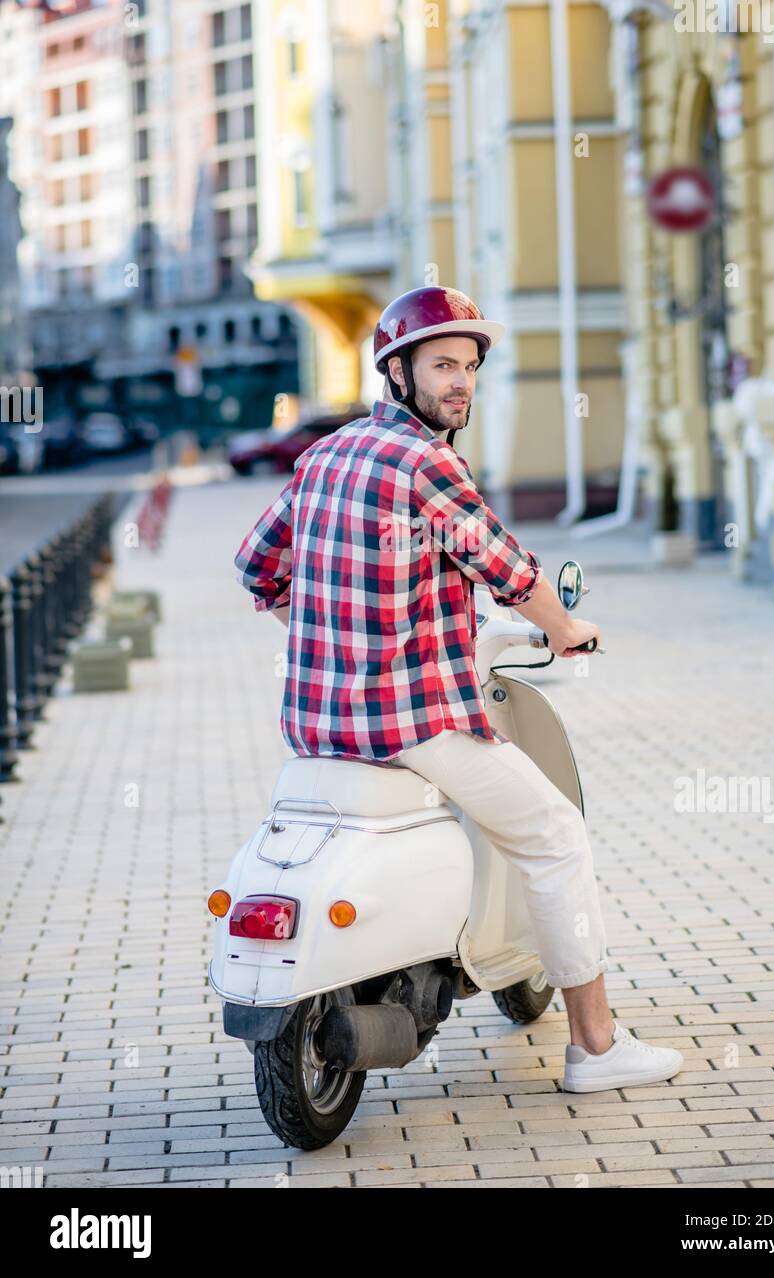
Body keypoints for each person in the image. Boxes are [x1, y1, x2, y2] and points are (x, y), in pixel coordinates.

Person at [234, 285, 683, 1092]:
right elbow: (508, 571)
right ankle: (597, 1046)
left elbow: (258, 568)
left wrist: (327, 630)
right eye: (442, 364)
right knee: (552, 835)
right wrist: (567, 628)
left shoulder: (324, 457)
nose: (460, 383)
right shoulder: (424, 462)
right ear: (396, 373)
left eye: (470, 367)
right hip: (413, 721)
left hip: (315, 725)